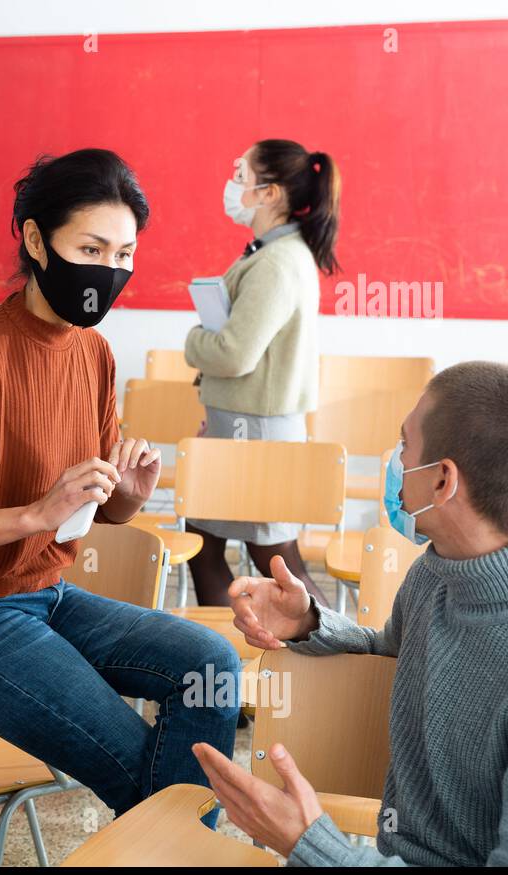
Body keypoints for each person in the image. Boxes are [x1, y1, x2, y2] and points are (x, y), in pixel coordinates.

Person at [0, 149, 240, 821]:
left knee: (209, 663)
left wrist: (128, 491)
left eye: (124, 253)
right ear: (36, 240)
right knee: (141, 769)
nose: (109, 269)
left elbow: (98, 513)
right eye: (91, 247)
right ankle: (187, 845)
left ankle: (177, 844)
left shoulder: (93, 353)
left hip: (47, 594)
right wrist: (30, 516)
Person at [194, 361, 508, 865]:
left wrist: (312, 848)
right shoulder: (441, 569)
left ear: (443, 480)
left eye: (404, 445)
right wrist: (310, 623)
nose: (395, 461)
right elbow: (397, 658)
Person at [183, 139, 340, 607]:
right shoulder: (275, 253)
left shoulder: (276, 262)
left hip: (257, 433)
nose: (234, 186)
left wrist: (192, 341)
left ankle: (335, 653)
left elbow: (234, 354)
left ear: (270, 193)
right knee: (209, 541)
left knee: (274, 556)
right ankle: (233, 651)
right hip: (245, 426)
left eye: (241, 176)